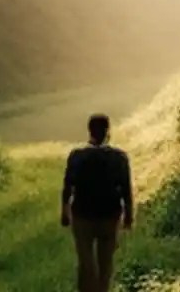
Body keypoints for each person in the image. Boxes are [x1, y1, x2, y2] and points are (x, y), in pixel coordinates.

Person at [61, 113, 133, 292]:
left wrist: (65, 211)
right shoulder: (120, 157)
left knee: (86, 263)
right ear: (108, 131)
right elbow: (126, 188)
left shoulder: (76, 156)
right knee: (105, 263)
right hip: (110, 215)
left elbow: (68, 186)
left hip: (82, 215)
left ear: (89, 131)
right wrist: (129, 215)